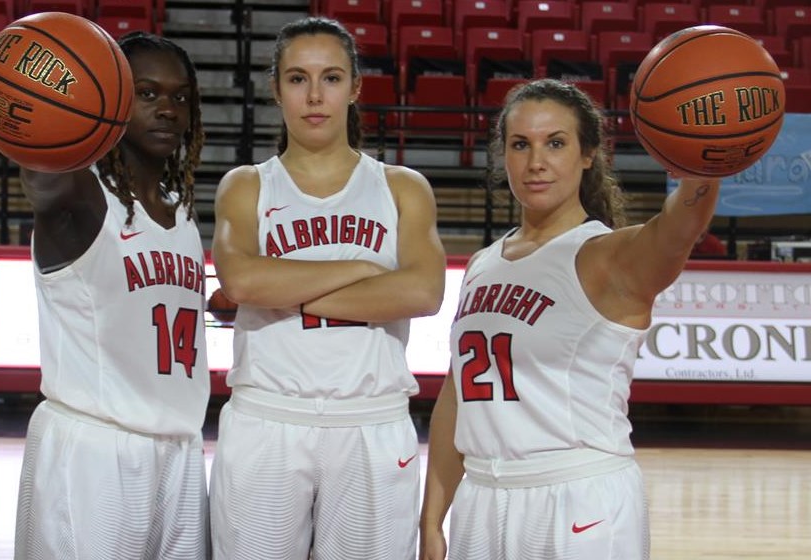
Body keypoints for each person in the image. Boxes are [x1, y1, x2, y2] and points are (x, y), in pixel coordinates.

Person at [420, 78, 722, 560]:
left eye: (555, 143)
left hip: (577, 496)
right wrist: (432, 518)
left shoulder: (611, 256)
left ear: (588, 155)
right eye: (521, 145)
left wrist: (705, 170)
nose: (536, 162)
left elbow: (677, 228)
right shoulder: (482, 265)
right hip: (482, 496)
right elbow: (457, 399)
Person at [208, 16, 446, 560]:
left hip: (371, 420)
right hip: (268, 416)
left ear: (356, 87)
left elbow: (423, 292)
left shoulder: (402, 187)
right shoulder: (247, 185)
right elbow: (241, 279)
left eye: (331, 78)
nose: (315, 96)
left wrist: (282, 287)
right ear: (276, 89)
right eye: (297, 79)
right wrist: (364, 266)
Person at [13, 32, 210, 560]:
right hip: (94, 451)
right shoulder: (78, 196)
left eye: (180, 96)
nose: (167, 109)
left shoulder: (182, 210)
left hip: (181, 450)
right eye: (146, 94)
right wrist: (53, 103)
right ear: (111, 101)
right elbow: (41, 173)